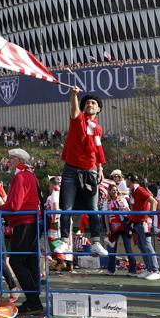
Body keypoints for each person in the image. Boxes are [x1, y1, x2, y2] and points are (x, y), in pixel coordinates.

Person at [57, 87, 109, 258]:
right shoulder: (78, 119)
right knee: (66, 207)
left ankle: (95, 242)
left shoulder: (98, 129)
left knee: (93, 208)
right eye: (87, 103)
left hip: (91, 170)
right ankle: (64, 241)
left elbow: (96, 150)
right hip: (71, 169)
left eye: (93, 103)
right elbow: (74, 110)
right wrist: (73, 95)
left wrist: (100, 168)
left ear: (99, 109)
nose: (90, 105)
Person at [0, 148, 43, 314]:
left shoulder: (21, 176)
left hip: (24, 223)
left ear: (18, 160)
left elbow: (15, 205)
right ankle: (34, 300)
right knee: (30, 262)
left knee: (17, 261)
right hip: (32, 222)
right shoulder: (31, 176)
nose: (9, 162)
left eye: (11, 159)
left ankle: (33, 301)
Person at [125, 173, 160, 280]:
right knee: (142, 246)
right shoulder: (133, 191)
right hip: (137, 222)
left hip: (143, 222)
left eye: (126, 180)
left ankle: (155, 270)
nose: (125, 182)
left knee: (147, 246)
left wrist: (150, 216)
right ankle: (149, 269)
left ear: (129, 180)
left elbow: (153, 201)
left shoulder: (139, 190)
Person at [102, 184, 135, 275]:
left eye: (116, 190)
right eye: (113, 190)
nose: (115, 191)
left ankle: (133, 270)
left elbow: (128, 211)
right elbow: (106, 216)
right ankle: (111, 270)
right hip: (113, 227)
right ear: (109, 191)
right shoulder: (106, 202)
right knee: (111, 249)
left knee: (128, 248)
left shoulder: (123, 199)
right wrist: (108, 229)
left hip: (124, 225)